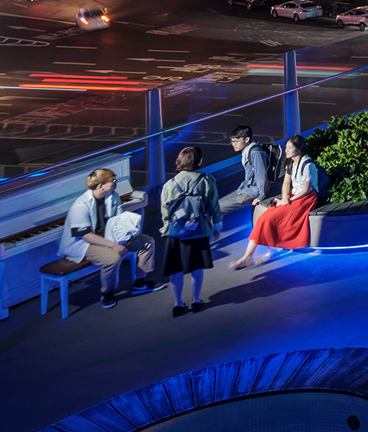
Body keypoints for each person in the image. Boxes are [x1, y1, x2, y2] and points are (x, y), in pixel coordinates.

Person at [59, 167, 153, 309]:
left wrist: (128, 231)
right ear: (100, 185)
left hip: (108, 237)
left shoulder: (112, 195)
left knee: (146, 242)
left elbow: (119, 218)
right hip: (83, 244)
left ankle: (140, 283)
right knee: (112, 258)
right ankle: (107, 293)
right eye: (112, 180)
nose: (115, 182)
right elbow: (86, 236)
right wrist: (113, 245)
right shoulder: (81, 205)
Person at [232, 134, 323, 268]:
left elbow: (306, 190)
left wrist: (287, 200)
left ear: (299, 150)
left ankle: (265, 252)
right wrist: (284, 197)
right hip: (294, 195)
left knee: (271, 218)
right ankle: (248, 256)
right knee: (264, 218)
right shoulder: (290, 162)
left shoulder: (308, 165)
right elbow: (286, 183)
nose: (286, 150)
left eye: (289, 148)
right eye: (286, 147)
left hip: (305, 199)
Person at [158, 146, 221, 316]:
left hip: (175, 232)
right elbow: (213, 205)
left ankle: (178, 304)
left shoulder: (169, 185)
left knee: (175, 269)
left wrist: (167, 228)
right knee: (197, 267)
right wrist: (217, 225)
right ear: (199, 161)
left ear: (179, 161)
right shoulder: (206, 180)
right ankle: (196, 300)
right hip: (198, 230)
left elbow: (165, 211)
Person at [224, 125, 275, 215]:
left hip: (252, 190)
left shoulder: (255, 152)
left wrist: (261, 196)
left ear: (247, 139)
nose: (233, 144)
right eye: (232, 141)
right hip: (245, 187)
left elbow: (261, 175)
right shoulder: (247, 151)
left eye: (236, 141)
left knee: (219, 207)